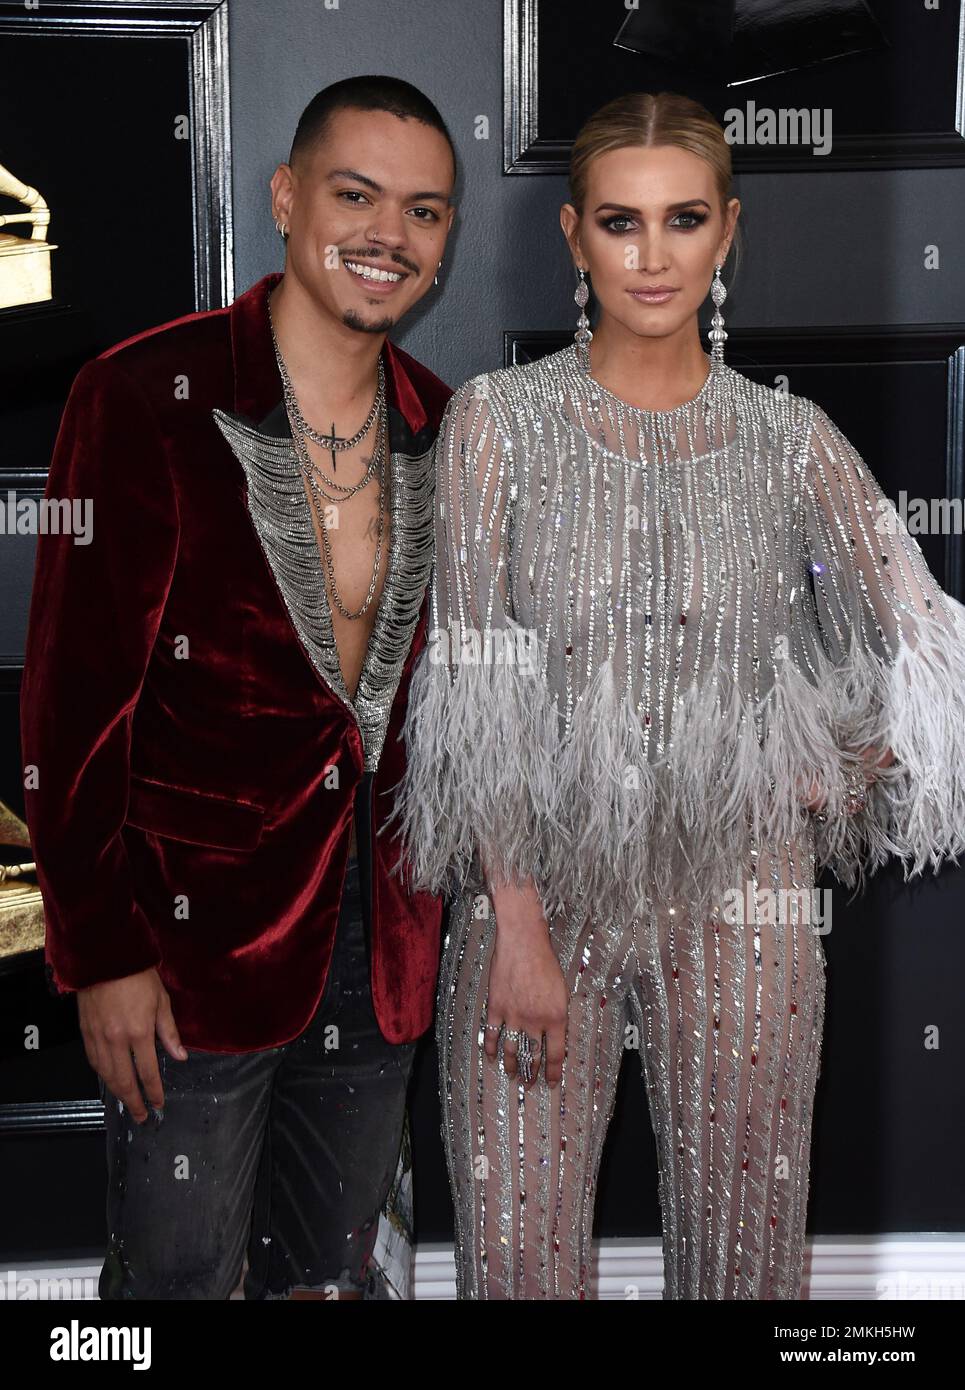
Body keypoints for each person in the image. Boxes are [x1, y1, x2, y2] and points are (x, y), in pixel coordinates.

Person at [383, 90, 965, 1300]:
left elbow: (928, 649)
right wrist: (519, 922)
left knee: (748, 1262)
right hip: (530, 894)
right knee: (516, 1261)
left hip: (745, 901)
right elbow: (474, 680)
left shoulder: (789, 439)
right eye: (619, 222)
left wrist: (830, 759)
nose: (652, 257)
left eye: (683, 220)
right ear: (572, 237)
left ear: (726, 232)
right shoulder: (497, 425)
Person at [20, 74, 457, 1300]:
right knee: (175, 1282)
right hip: (189, 945)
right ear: (284, 195)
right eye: (356, 195)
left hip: (381, 949)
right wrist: (99, 951)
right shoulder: (141, 397)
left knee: (330, 1279)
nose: (389, 235)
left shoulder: (444, 427)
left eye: (423, 211)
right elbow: (69, 703)